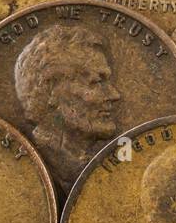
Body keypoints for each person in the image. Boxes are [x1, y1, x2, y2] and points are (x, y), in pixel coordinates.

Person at [13, 26, 122, 188]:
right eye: (96, 82)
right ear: (50, 90)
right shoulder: (24, 168)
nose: (115, 95)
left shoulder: (92, 165)